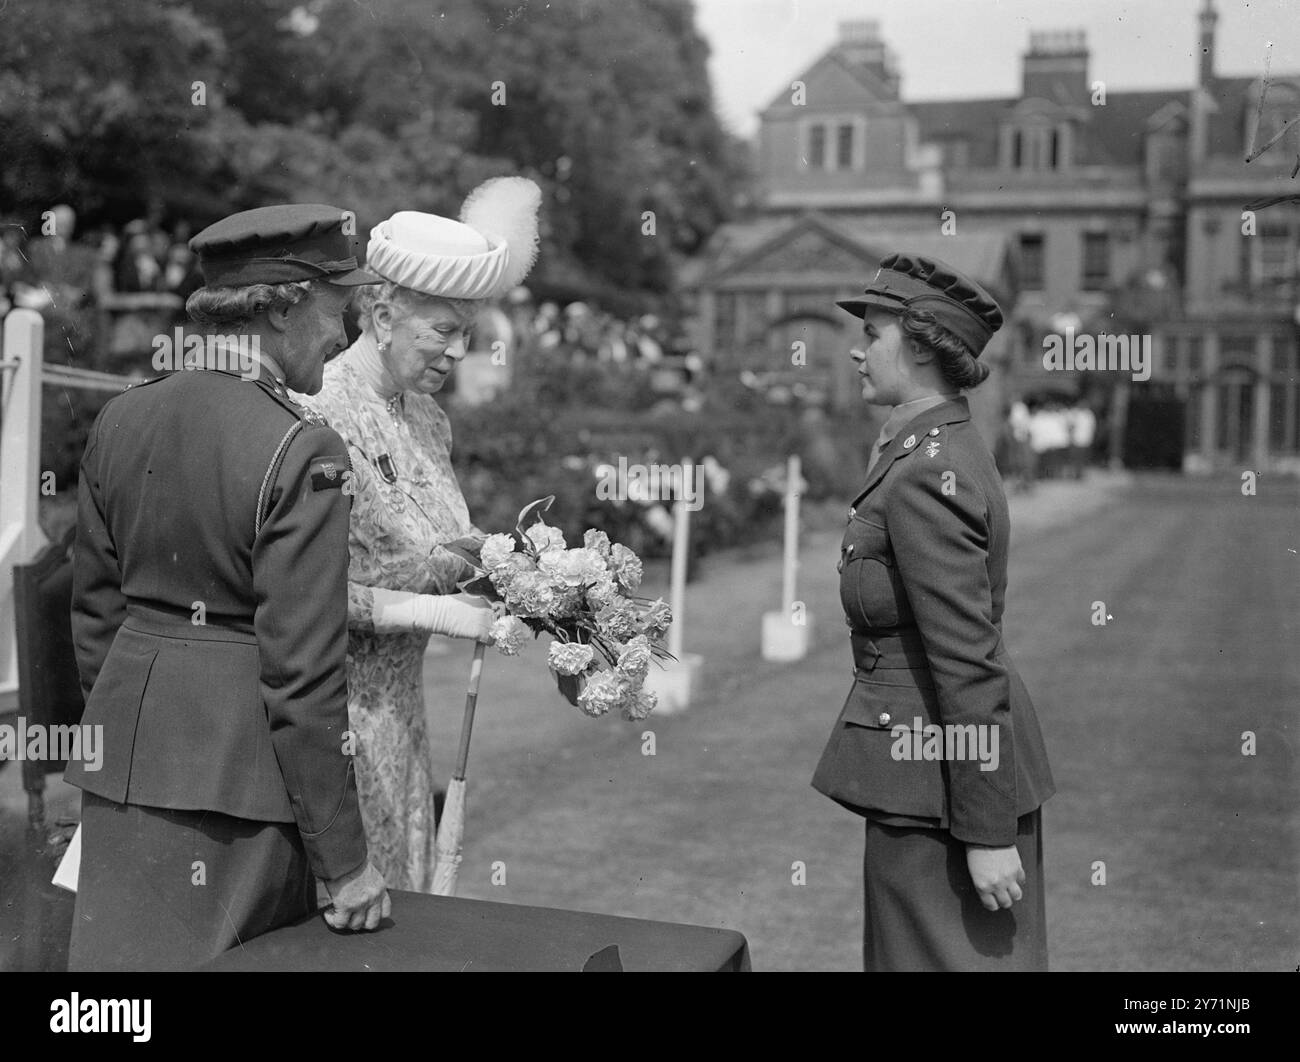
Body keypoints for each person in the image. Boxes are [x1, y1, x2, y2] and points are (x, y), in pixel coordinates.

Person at [65, 204, 390, 970]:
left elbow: (95, 620)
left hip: (126, 774)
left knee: (112, 1012)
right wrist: (344, 864)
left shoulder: (120, 417)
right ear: (280, 308)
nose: (343, 336)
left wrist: (129, 744)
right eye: (335, 309)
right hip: (242, 797)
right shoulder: (304, 446)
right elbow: (303, 677)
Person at [295, 177, 541, 892]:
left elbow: (447, 550)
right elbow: (288, 593)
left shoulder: (431, 420)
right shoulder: (319, 414)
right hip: (328, 720)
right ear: (379, 315)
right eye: (443, 330)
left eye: (466, 332)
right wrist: (428, 611)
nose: (460, 352)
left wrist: (541, 582)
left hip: (404, 719)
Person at [811, 252, 1055, 971]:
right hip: (925, 779)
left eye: (875, 330)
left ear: (919, 345)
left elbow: (965, 657)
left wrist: (986, 832)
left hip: (942, 789)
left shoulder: (925, 472)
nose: (858, 347)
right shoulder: (930, 448)